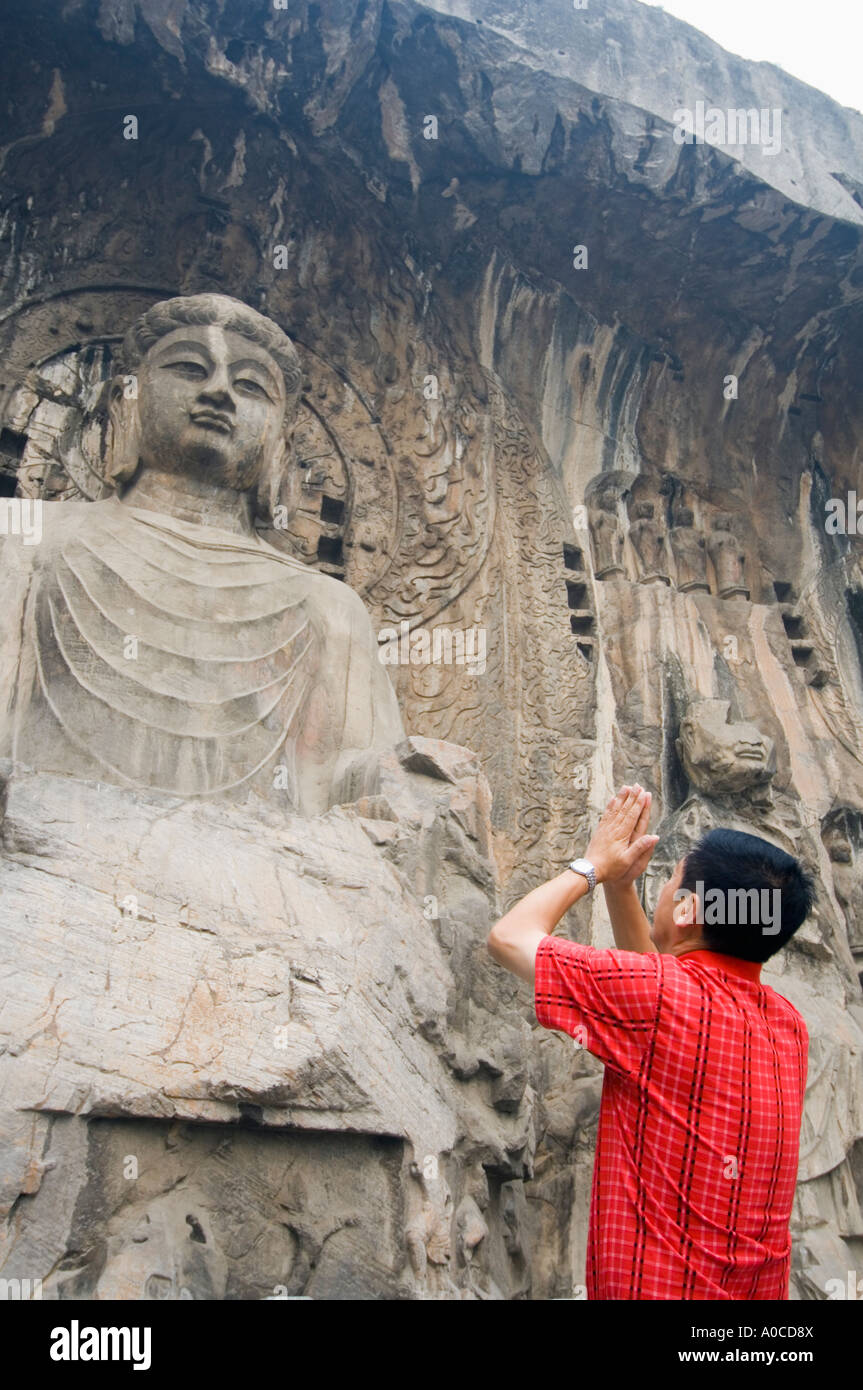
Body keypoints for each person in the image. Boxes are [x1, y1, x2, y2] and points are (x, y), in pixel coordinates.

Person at [486, 784, 814, 1300]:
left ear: (687, 911)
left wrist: (592, 865)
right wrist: (622, 888)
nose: (663, 891)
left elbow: (510, 936)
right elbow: (661, 1000)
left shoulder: (659, 997)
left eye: (672, 882)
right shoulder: (786, 1025)